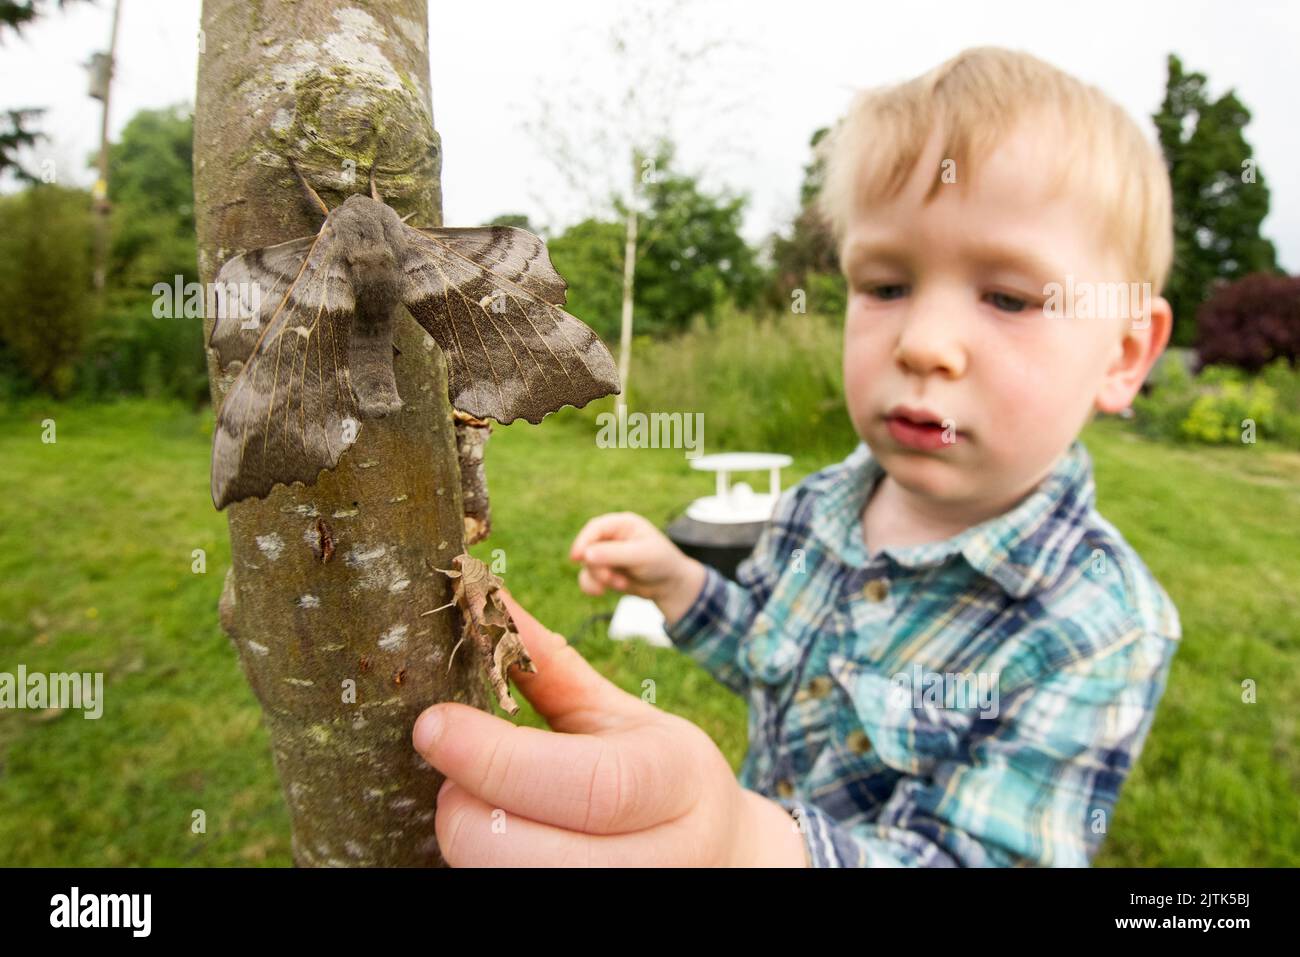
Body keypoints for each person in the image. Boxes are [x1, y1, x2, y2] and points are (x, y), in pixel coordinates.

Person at [412, 46, 1182, 867]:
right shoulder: (816, 507)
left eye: (1009, 297)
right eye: (886, 286)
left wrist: (742, 842)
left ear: (1125, 354)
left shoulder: (1100, 623)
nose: (923, 343)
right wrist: (681, 582)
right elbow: (775, 657)